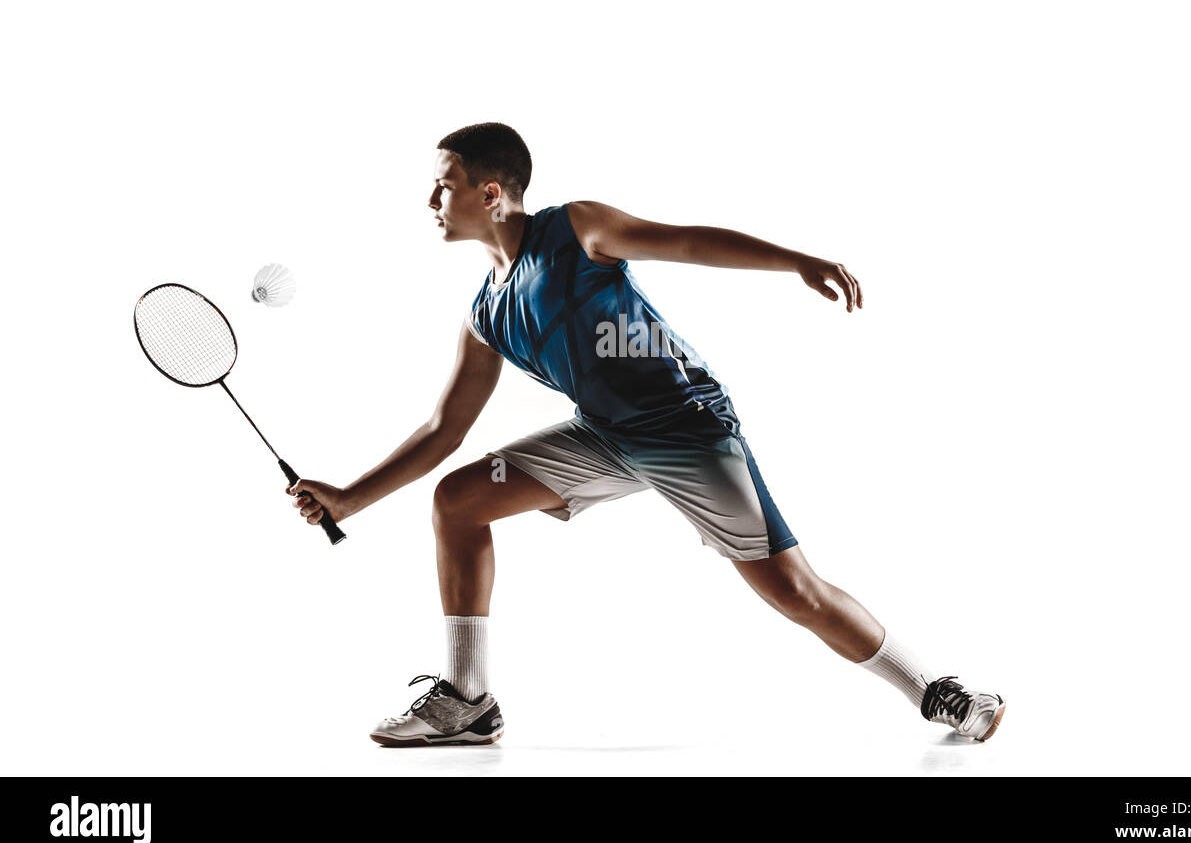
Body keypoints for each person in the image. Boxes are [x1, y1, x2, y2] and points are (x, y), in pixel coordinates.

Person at [289, 122, 1005, 746]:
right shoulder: (486, 314)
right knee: (459, 499)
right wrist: (349, 498)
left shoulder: (576, 229)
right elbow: (445, 429)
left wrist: (797, 261)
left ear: (491, 193)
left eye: (444, 186)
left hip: (685, 429)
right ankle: (468, 700)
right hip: (604, 437)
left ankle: (938, 692)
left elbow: (686, 240)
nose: (430, 201)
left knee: (795, 591)